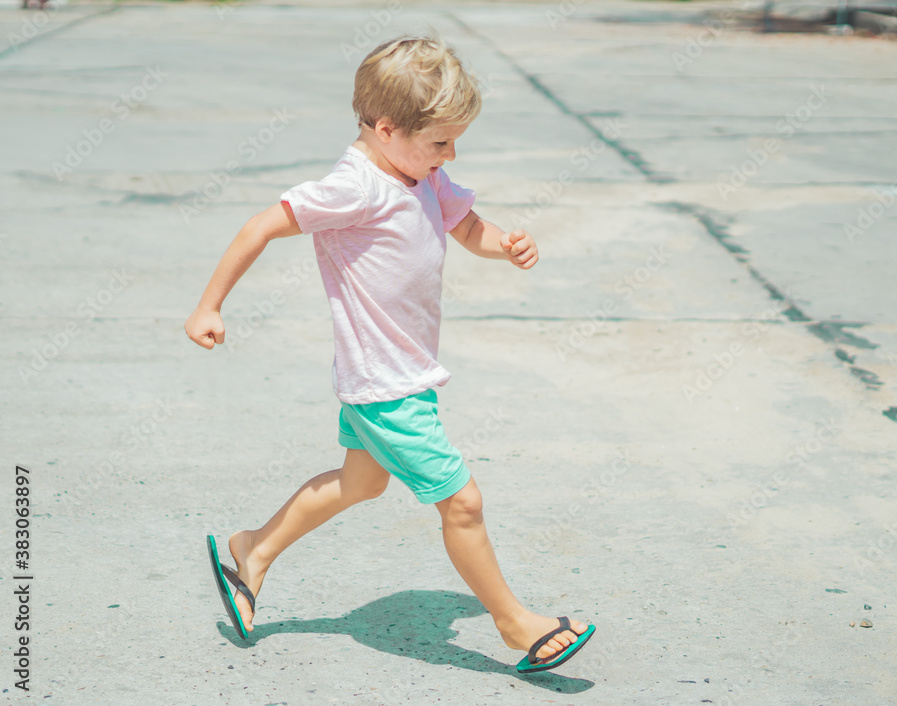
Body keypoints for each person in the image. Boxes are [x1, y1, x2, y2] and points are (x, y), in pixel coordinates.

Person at [187, 35, 594, 674]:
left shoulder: (420, 173)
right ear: (385, 129)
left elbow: (464, 225)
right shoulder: (356, 188)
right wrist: (210, 305)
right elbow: (262, 225)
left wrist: (504, 245)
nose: (450, 155)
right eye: (441, 142)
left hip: (398, 375)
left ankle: (252, 549)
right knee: (462, 502)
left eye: (455, 141)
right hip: (386, 385)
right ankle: (517, 625)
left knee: (360, 482)